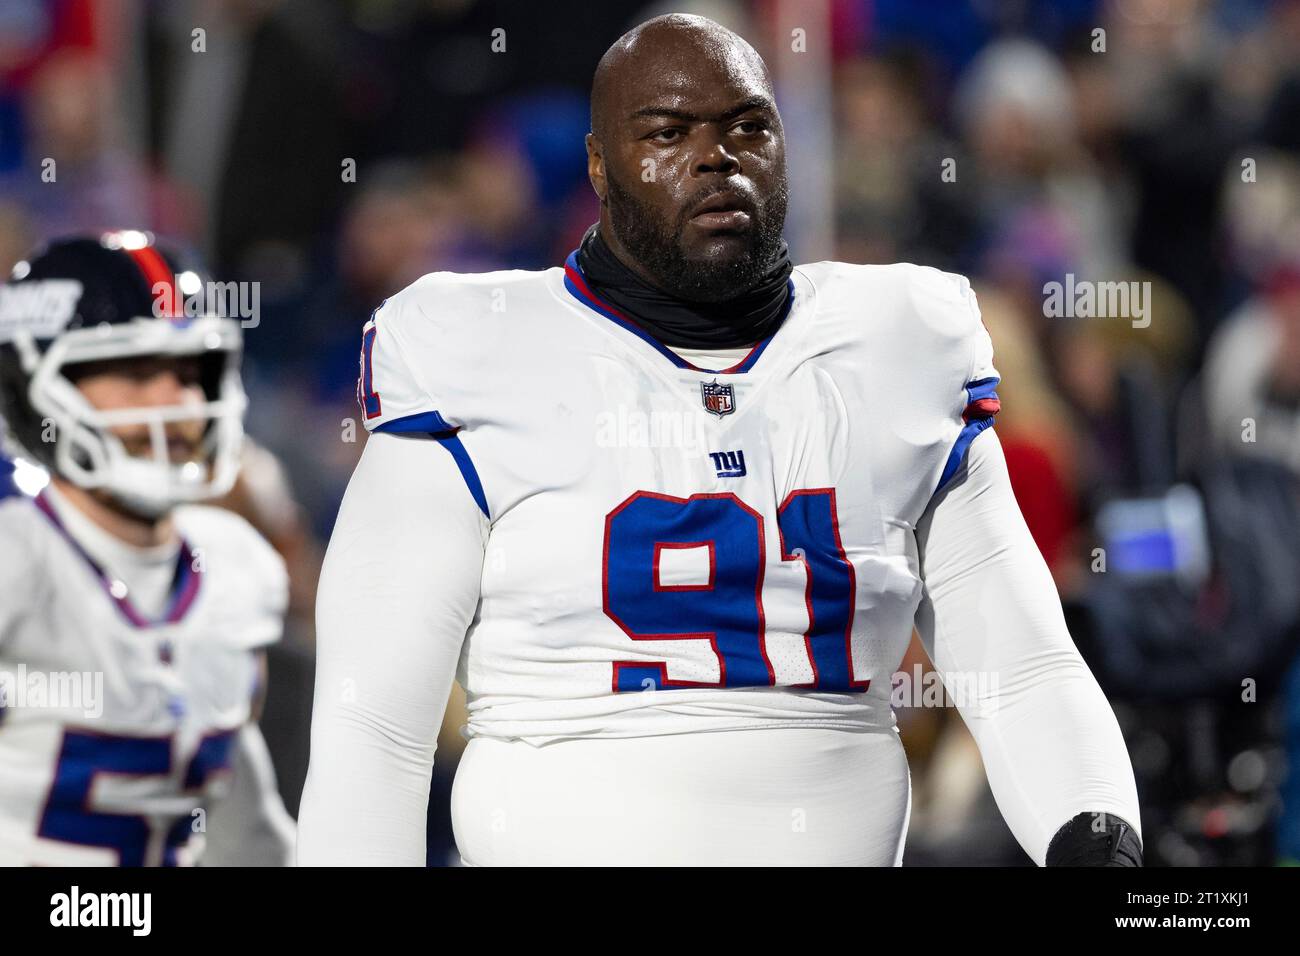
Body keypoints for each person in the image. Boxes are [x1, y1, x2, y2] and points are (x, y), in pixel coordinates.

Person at [299, 14, 1141, 866]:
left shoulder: (898, 344)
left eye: (747, 126)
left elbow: (1026, 671)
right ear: (598, 164)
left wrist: (1102, 849)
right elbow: (375, 727)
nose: (716, 156)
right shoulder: (476, 349)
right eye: (668, 131)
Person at [0, 232, 294, 865]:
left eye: (190, 374)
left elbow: (241, 821)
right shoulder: (14, 557)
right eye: (136, 374)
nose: (179, 405)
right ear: (34, 386)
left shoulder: (238, 566)